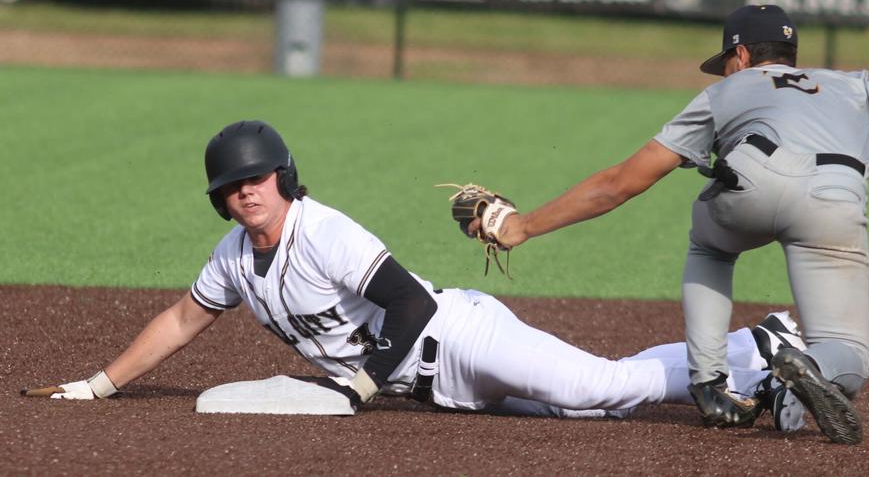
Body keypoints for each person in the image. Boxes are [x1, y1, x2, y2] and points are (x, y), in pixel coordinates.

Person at [24, 120, 809, 430]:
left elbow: (401, 301)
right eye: (232, 187)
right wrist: (100, 383)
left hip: (454, 338)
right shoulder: (234, 257)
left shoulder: (321, 230)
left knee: (593, 388)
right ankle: (759, 359)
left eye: (258, 178)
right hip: (430, 386)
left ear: (284, 178)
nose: (246, 191)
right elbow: (181, 320)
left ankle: (759, 342)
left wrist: (358, 386)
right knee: (590, 407)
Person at [478, 5, 869, 444]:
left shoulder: (723, 93)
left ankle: (712, 385)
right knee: (848, 361)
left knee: (711, 247)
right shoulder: (851, 85)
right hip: (836, 201)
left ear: (741, 54)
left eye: (726, 61)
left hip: (754, 183)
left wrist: (523, 226)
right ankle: (793, 376)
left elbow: (620, 183)